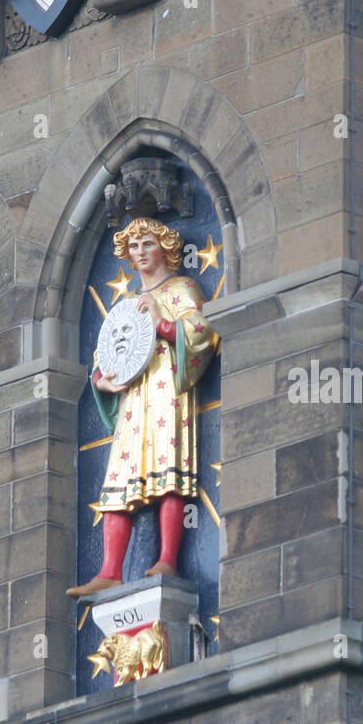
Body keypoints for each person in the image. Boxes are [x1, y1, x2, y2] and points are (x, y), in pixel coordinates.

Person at [67, 218, 218, 597]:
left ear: (164, 248)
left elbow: (201, 332)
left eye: (147, 244)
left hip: (167, 389)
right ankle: (110, 569)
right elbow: (111, 352)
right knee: (118, 478)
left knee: (170, 472)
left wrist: (163, 323)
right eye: (133, 248)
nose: (140, 253)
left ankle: (167, 557)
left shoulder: (183, 288)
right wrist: (101, 378)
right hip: (135, 398)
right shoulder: (127, 305)